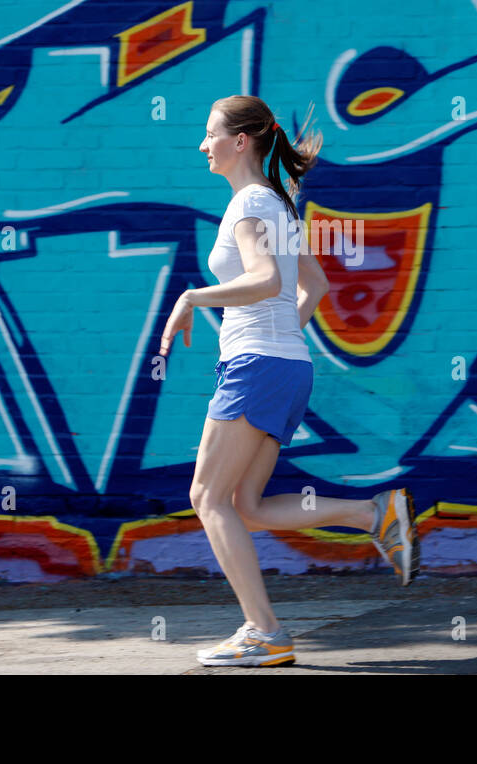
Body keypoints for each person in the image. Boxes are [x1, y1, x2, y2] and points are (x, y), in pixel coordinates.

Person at [158, 95, 419, 668]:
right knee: (244, 503)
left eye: (210, 134)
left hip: (258, 366)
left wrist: (192, 297)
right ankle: (375, 515)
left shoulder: (249, 205)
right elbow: (316, 287)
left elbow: (264, 277)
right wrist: (277, 339)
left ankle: (264, 630)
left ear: (241, 141)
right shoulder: (278, 203)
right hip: (283, 364)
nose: (203, 145)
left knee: (206, 496)